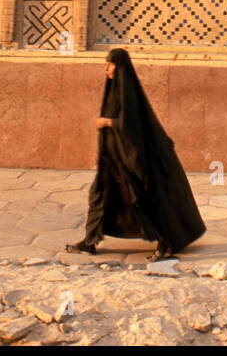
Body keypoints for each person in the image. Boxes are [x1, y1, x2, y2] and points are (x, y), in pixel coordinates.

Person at [65, 48, 206, 261]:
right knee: (101, 197)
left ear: (121, 67)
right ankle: (90, 241)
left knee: (146, 199)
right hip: (113, 160)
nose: (107, 68)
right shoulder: (114, 90)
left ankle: (165, 243)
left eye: (111, 64)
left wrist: (107, 122)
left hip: (132, 160)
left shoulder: (127, 91)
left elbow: (132, 124)